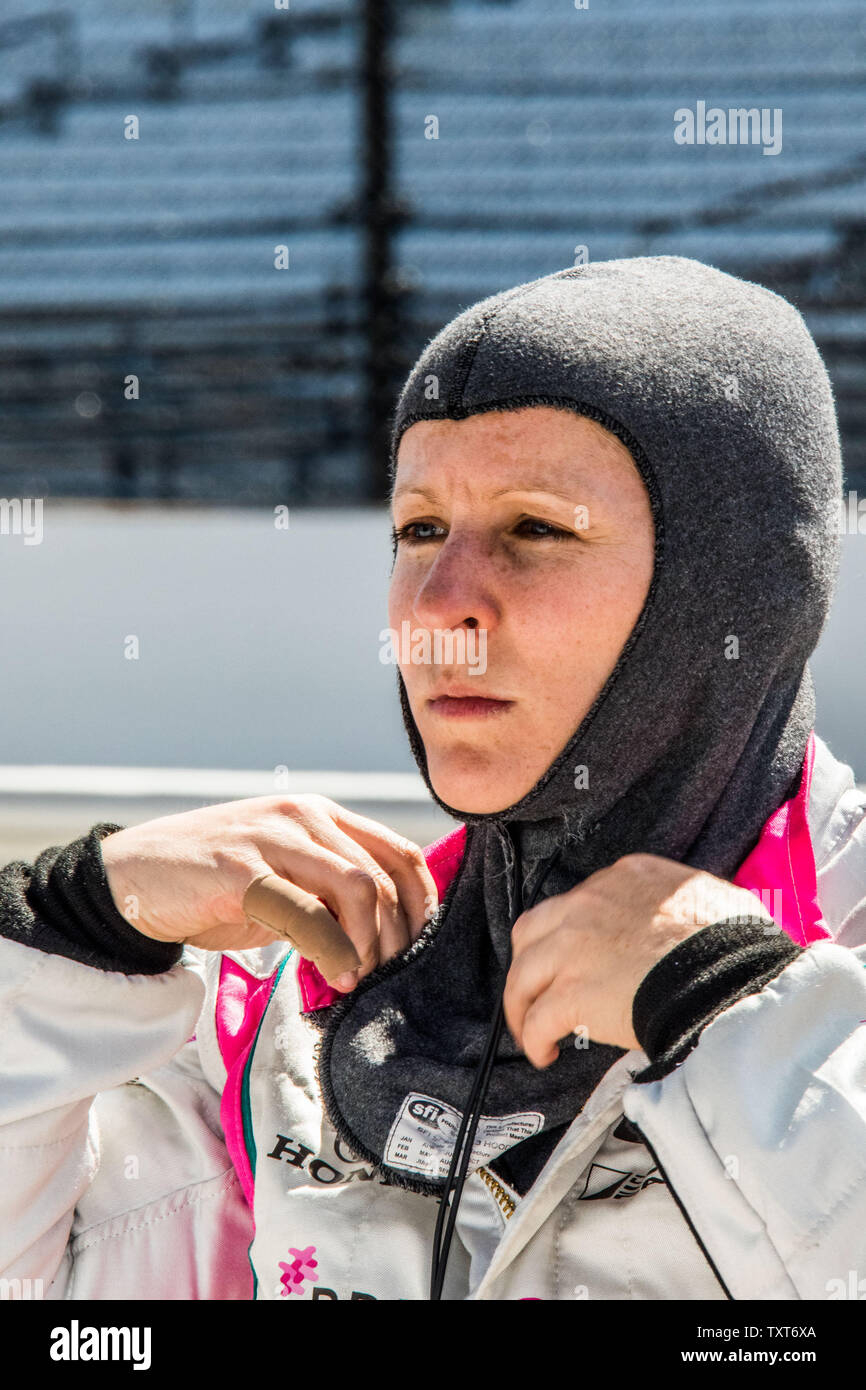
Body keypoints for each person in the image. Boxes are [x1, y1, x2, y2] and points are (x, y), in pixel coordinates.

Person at [2, 254, 865, 1302]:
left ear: (726, 586)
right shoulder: (284, 1007)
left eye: (535, 528)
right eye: (418, 531)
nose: (437, 606)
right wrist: (68, 928)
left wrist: (737, 1007)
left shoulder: (840, 971)